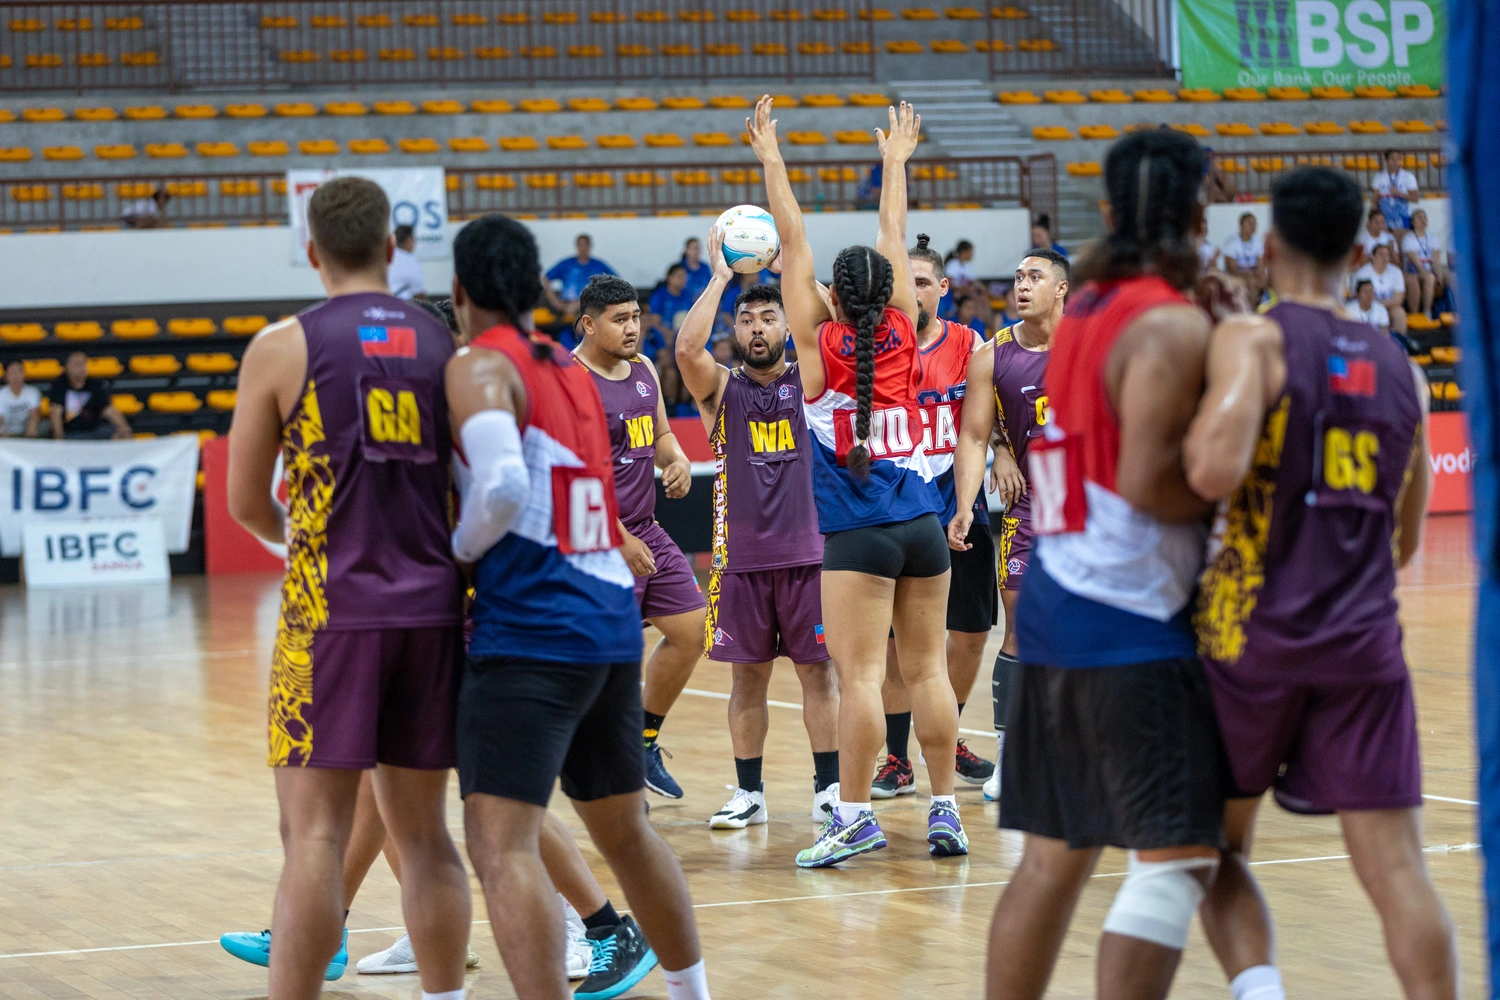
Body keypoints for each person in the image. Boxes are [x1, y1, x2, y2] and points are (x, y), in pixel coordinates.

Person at [1186, 166, 1458, 1000]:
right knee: (1398, 868)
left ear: (1267, 246)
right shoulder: (1402, 368)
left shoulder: (1256, 340)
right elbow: (1406, 541)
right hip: (1364, 644)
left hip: (1249, 641)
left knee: (1215, 849)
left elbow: (1207, 472)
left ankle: (1262, 989)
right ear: (1358, 251)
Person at [984, 129, 1226, 1000]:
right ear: (1199, 209)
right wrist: (1240, 500)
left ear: (1116, 209)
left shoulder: (1082, 310)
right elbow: (1155, 484)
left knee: (1052, 860)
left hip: (1057, 594)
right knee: (1177, 860)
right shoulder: (1163, 320)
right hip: (1128, 615)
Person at [444, 213, 711, 1000]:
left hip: (534, 627)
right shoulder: (574, 379)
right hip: (605, 621)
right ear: (538, 290)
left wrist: (453, 550)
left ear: (460, 292)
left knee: (501, 846)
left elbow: (500, 487)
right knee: (624, 831)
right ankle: (693, 992)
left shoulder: (481, 365)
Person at [225, 176, 471, 1000]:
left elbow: (242, 502)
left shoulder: (283, 345)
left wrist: (296, 537)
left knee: (315, 839)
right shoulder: (445, 346)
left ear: (312, 251)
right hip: (434, 612)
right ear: (394, 247)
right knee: (428, 833)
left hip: (329, 614)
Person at [749, 96, 967, 867]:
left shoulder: (815, 344)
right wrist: (896, 163)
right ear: (892, 295)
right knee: (929, 671)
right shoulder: (908, 330)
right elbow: (892, 236)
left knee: (862, 679)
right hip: (924, 527)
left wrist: (773, 160)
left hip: (858, 536)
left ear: (833, 300)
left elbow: (795, 238)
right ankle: (946, 811)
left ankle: (852, 816)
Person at [674, 225, 842, 828]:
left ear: (784, 325)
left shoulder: (813, 380)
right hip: (739, 562)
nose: (758, 330)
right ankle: (751, 793)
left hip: (810, 556)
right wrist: (723, 276)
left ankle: (829, 791)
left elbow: (835, 323)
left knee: (818, 675)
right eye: (747, 323)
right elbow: (687, 353)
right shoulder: (721, 389)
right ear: (735, 332)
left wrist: (789, 265)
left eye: (770, 318)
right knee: (748, 680)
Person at [571, 274, 707, 801]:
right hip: (598, 541)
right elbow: (574, 474)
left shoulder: (646, 369)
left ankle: (644, 742)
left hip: (646, 530)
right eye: (619, 320)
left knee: (693, 631)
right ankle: (610, 772)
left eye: (636, 317)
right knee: (612, 664)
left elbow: (664, 436)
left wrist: (674, 461)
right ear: (588, 324)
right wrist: (617, 535)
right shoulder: (572, 379)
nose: (633, 328)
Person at [874, 233, 999, 800]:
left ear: (943, 289)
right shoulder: (876, 345)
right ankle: (898, 758)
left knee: (971, 634)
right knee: (902, 646)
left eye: (923, 281)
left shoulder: (972, 344)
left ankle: (945, 731)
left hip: (961, 507)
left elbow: (996, 416)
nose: (914, 291)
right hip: (902, 514)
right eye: (906, 282)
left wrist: (1012, 455)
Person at [948, 248, 1069, 804]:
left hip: (1090, 513)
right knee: (1018, 626)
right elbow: (972, 435)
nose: (1022, 285)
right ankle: (1011, 759)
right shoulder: (992, 355)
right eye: (1018, 277)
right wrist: (967, 504)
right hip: (1027, 512)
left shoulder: (1092, 347)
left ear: (1061, 288)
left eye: (1034, 276)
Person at [47, 351, 130, 439]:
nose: (81, 368)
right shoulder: (59, 386)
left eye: (83, 364)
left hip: (93, 431)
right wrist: (59, 438)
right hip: (70, 433)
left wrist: (125, 428)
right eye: (76, 364)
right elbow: (56, 412)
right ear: (67, 367)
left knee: (121, 434)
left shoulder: (95, 385)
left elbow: (108, 409)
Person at [545, 234, 617, 321]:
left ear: (590, 246)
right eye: (580, 245)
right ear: (576, 246)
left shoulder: (598, 266)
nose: (582, 248)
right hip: (568, 305)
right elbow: (546, 278)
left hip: (592, 305)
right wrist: (555, 301)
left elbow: (615, 281)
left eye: (585, 245)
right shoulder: (567, 264)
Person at [1353, 243, 1409, 335]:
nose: (1384, 257)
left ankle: (1400, 345)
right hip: (1367, 307)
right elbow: (1359, 297)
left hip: (1388, 307)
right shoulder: (1363, 273)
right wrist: (1377, 306)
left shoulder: (1396, 272)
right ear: (1373, 257)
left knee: (1400, 313)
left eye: (1387, 255)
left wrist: (1380, 305)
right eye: (1381, 254)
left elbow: (1398, 299)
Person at [1401, 207, 1446, 317]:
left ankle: (1454, 311)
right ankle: (1427, 312)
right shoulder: (1408, 238)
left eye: (1424, 217)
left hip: (1429, 269)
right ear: (1413, 222)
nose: (1423, 219)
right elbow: (1415, 261)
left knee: (1450, 276)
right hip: (1414, 269)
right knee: (1429, 278)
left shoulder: (1433, 238)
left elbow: (1436, 260)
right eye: (1419, 217)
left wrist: (1439, 274)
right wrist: (1426, 273)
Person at [647, 263, 696, 355]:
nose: (683, 279)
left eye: (685, 276)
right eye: (679, 276)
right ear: (670, 278)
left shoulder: (688, 296)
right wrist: (669, 334)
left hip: (684, 334)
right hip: (664, 334)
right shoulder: (659, 296)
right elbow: (655, 322)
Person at [1222, 212, 1268, 305]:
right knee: (1250, 284)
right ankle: (1250, 312)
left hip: (1252, 274)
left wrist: (1259, 274)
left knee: (1265, 280)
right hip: (1237, 275)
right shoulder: (1232, 243)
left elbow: (1260, 265)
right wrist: (1245, 275)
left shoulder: (1257, 242)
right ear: (1241, 225)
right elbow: (1230, 269)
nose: (1253, 226)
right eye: (1250, 223)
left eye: (1255, 223)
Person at [1372, 149, 1420, 236]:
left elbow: (1415, 199)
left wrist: (1399, 194)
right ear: (1386, 160)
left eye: (1398, 159)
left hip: (1402, 217)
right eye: (1392, 159)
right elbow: (1375, 200)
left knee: (1402, 243)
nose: (1395, 162)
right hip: (1384, 219)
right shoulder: (1379, 176)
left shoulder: (1408, 176)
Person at [1, 360, 40, 437]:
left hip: (26, 431)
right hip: (6, 433)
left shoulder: (33, 392)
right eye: (12, 372)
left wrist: (30, 435)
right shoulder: (1, 394)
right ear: (6, 375)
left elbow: (33, 416)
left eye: (19, 371)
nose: (16, 375)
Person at [389, 224, 426, 300]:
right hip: (403, 303)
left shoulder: (385, 256)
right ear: (409, 240)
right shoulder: (410, 260)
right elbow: (419, 292)